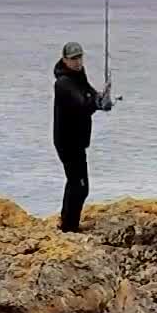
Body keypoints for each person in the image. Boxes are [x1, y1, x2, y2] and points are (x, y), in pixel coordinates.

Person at [52, 41, 112, 232]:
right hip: (67, 141)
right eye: (73, 58)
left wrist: (102, 99)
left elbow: (89, 95)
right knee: (79, 185)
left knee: (76, 183)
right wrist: (96, 103)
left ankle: (68, 222)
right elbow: (81, 105)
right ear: (65, 60)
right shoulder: (63, 83)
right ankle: (69, 227)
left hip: (77, 141)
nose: (77, 62)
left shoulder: (78, 75)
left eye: (79, 57)